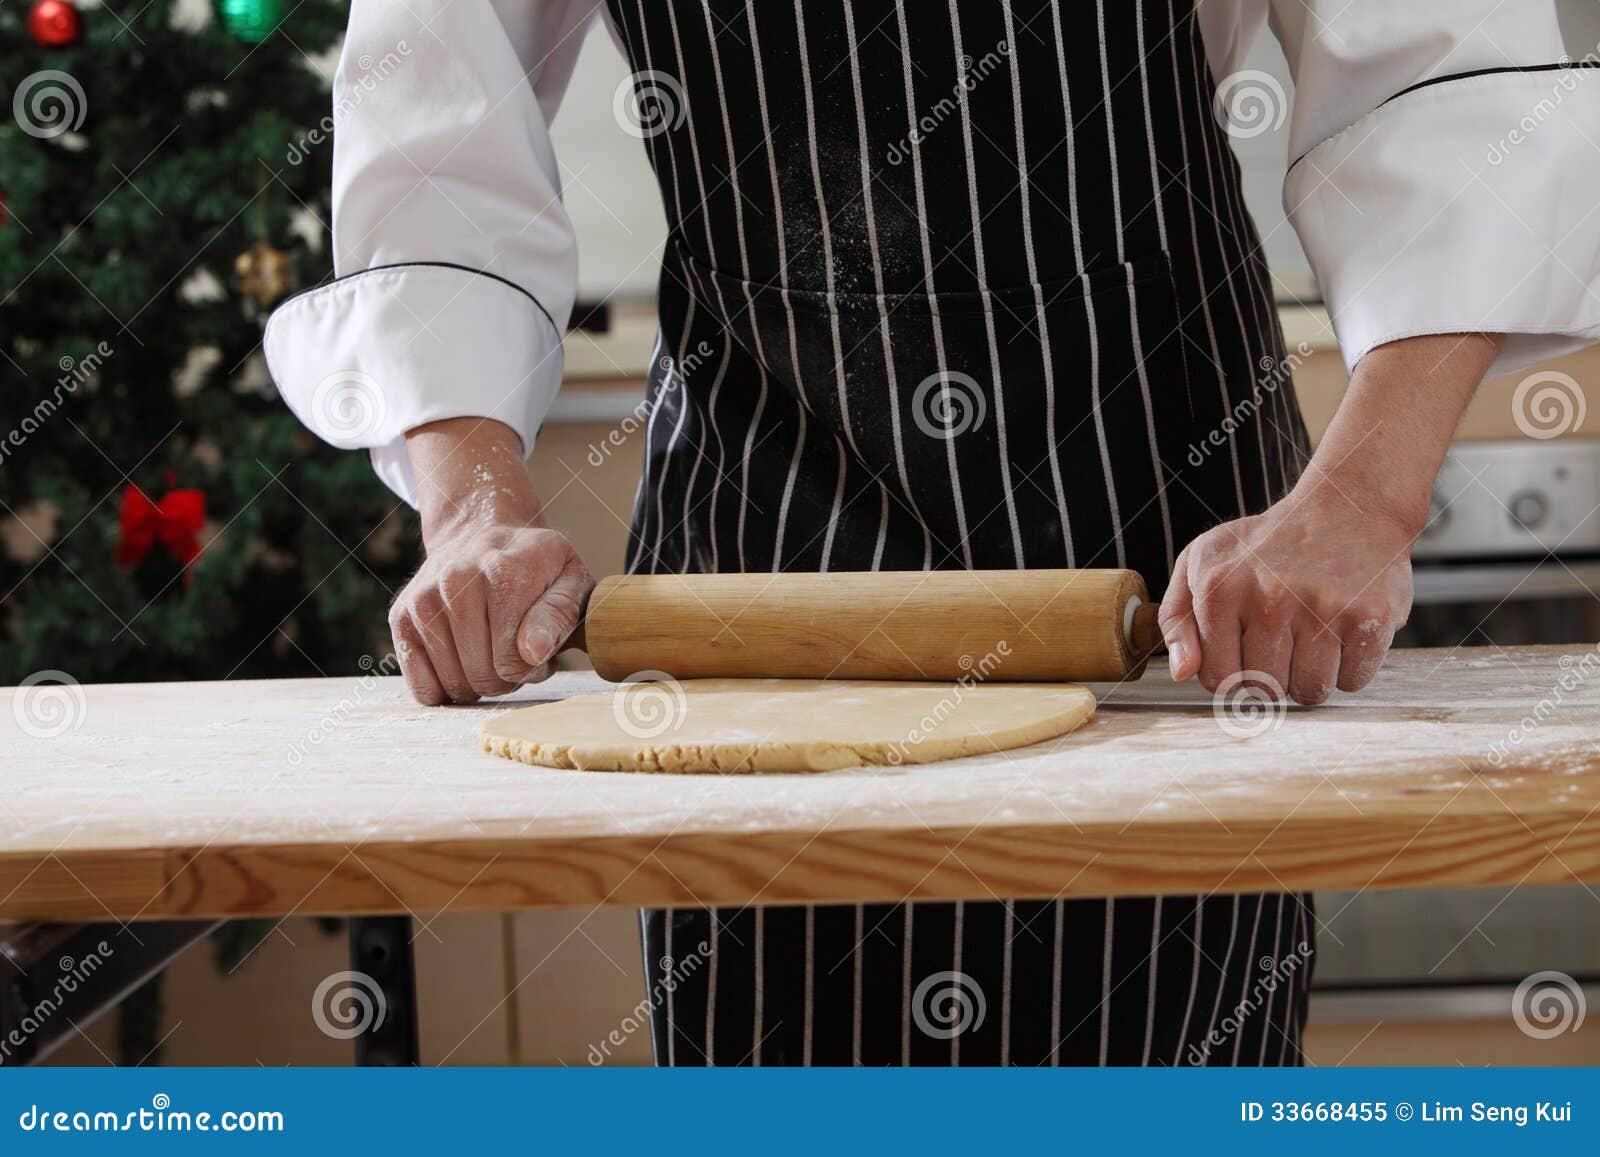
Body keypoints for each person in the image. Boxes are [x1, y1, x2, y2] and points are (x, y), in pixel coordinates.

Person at [265, 1, 1600, 1065]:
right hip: (765, 513)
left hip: (1147, 489)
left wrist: (1359, 501)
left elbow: (1444, 82)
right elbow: (433, 130)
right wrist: (472, 511)